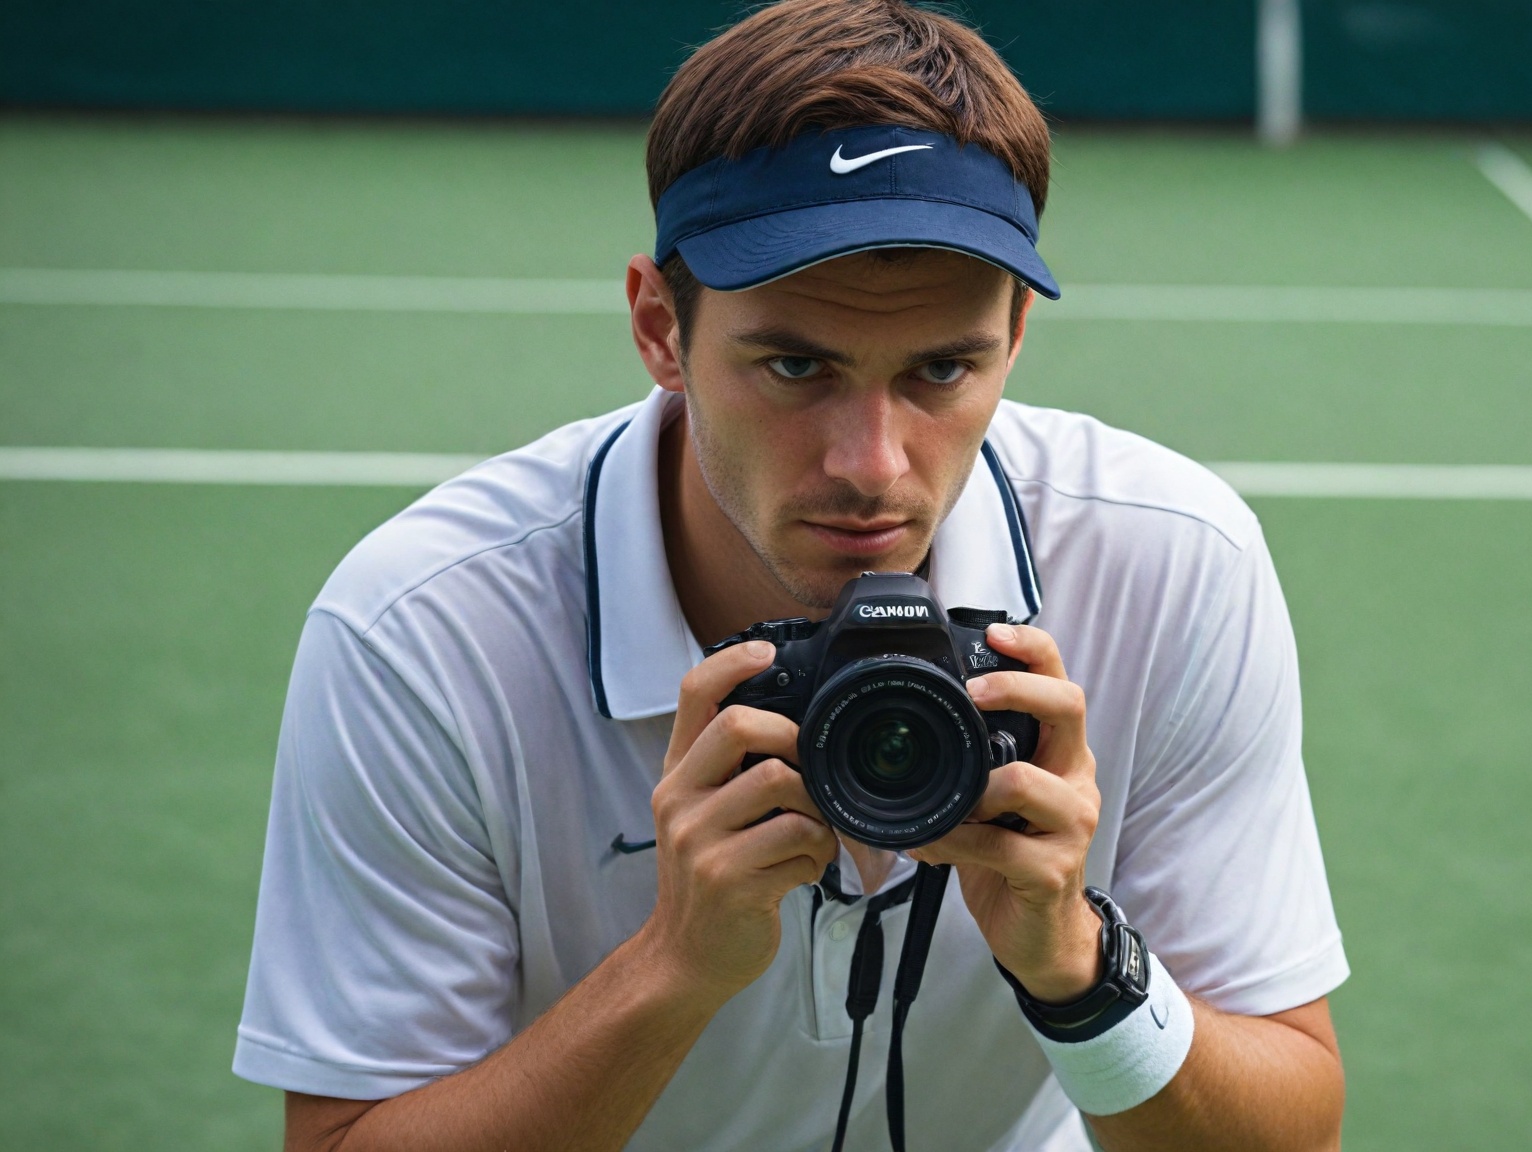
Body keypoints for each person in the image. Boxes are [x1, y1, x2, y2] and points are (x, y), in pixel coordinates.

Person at [234, 2, 1349, 1149]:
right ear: (661, 327)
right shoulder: (426, 628)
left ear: (1015, 336)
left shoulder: (1166, 563)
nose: (871, 466)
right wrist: (670, 968)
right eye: (795, 365)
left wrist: (1079, 966)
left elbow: (1294, 1131)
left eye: (941, 370)